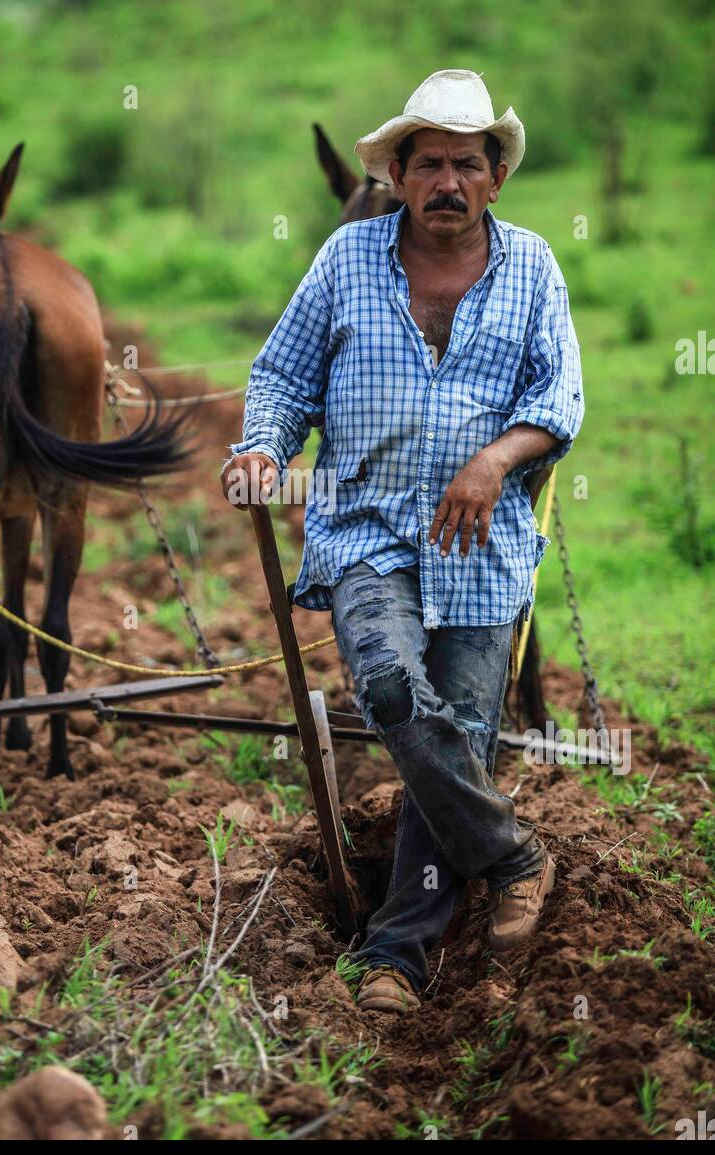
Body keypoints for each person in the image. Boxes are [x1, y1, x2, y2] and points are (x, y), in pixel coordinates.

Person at [221, 69, 584, 1014]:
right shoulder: (346, 262)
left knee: (456, 740)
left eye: (468, 163)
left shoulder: (536, 267)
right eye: (430, 165)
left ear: (496, 177)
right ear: (399, 176)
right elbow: (282, 375)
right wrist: (263, 445)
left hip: (483, 546)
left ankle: (397, 959)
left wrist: (494, 460)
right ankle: (515, 858)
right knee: (388, 686)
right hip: (366, 533)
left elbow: (559, 404)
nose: (449, 182)